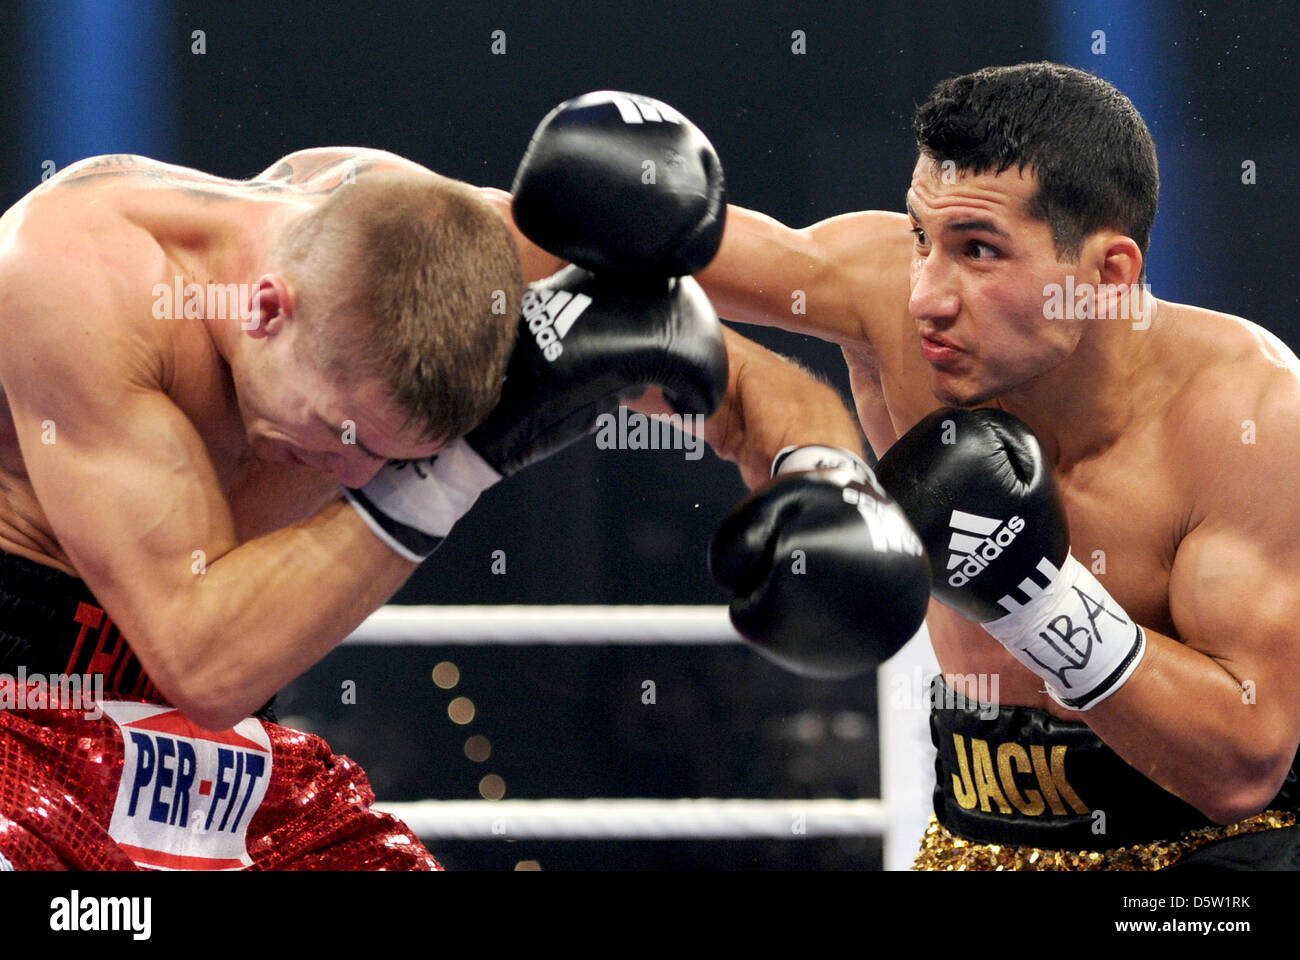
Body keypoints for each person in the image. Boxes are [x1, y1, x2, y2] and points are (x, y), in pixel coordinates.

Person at [0, 92, 773, 868]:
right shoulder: (79, 272)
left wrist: (816, 469)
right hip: (22, 724)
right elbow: (202, 665)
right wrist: (457, 470)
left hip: (227, 765)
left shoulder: (442, 258)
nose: (360, 475)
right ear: (269, 310)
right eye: (348, 436)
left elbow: (800, 314)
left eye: (394, 458)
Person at [698, 62, 1300, 869]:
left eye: (979, 251)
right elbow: (621, 240)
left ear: (1107, 277)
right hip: (977, 837)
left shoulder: (1251, 419)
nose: (926, 297)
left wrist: (1034, 596)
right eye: (921, 237)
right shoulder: (889, 301)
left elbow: (1240, 768)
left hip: (1213, 858)